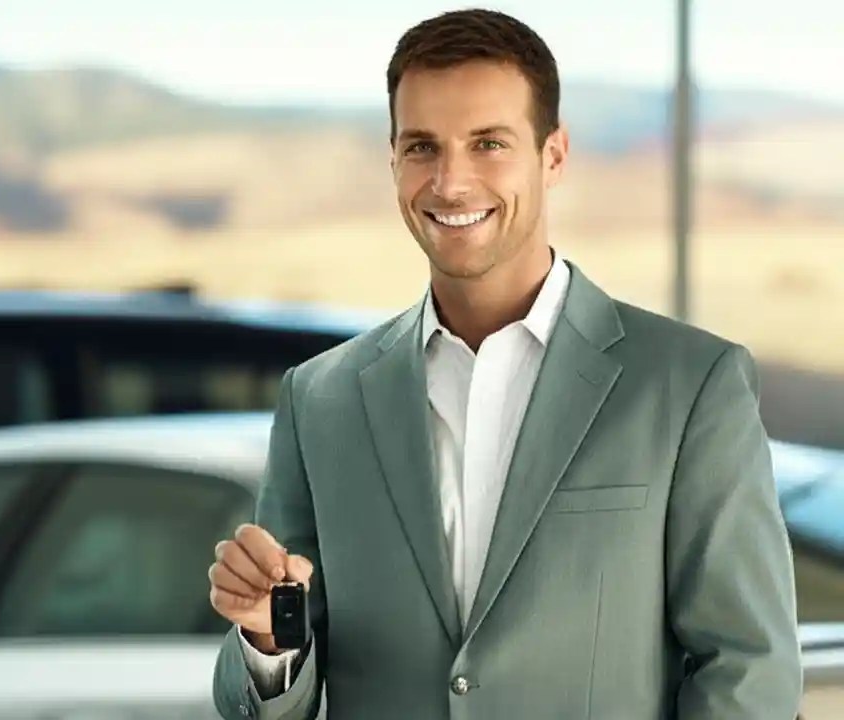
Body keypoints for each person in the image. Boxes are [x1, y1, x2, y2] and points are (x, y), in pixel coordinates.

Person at [207, 8, 803, 719]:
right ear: (393, 160)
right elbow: (263, 695)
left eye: (488, 143)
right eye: (422, 147)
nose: (451, 182)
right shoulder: (320, 400)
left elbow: (750, 675)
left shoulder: (690, 386)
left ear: (554, 156)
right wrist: (268, 642)